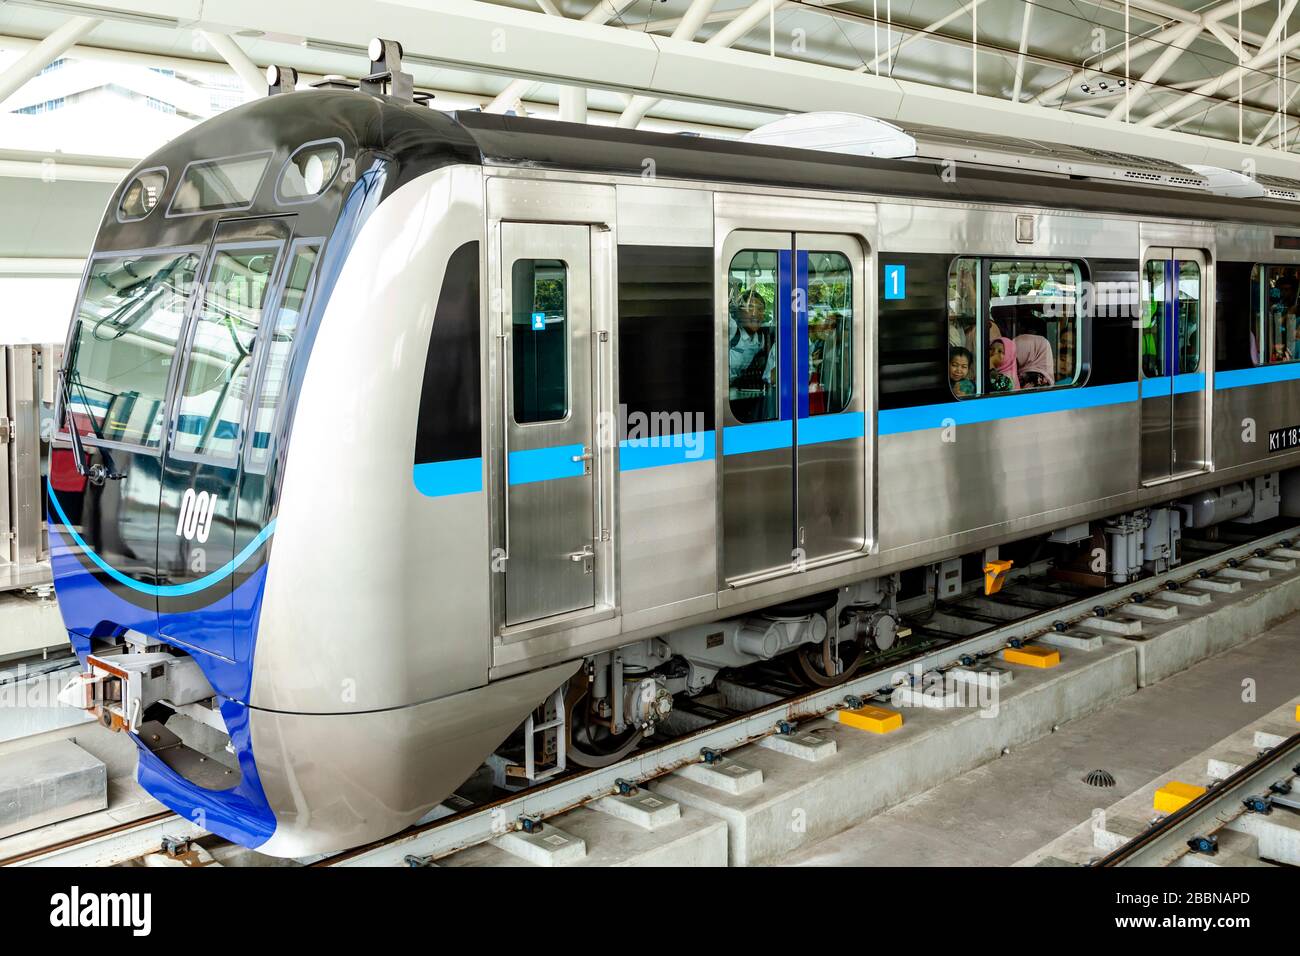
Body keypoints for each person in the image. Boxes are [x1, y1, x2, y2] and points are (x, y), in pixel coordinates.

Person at [729, 290, 776, 419]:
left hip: (737, 392)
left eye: (760, 309)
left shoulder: (760, 339)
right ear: (739, 312)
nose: (756, 314)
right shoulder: (733, 331)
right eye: (750, 308)